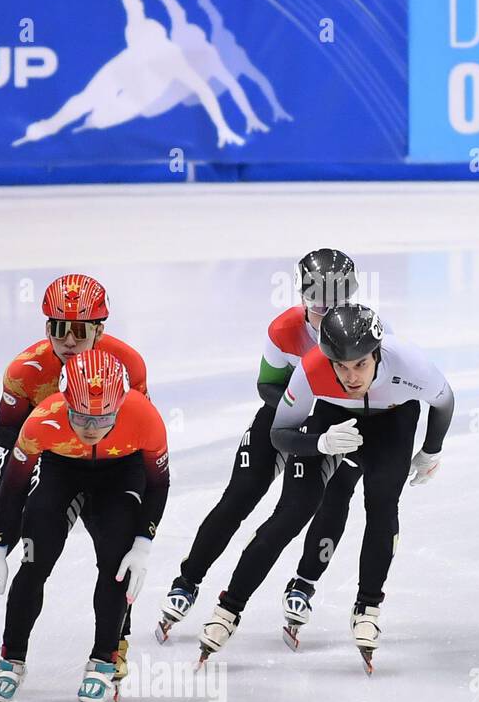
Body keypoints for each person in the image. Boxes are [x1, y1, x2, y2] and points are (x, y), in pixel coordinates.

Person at [0, 273, 148, 693]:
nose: (68, 340)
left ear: (100, 330)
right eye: (57, 328)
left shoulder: (127, 365)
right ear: (45, 327)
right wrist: (50, 435)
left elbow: (136, 431)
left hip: (106, 464)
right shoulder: (25, 370)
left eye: (79, 330)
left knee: (117, 554)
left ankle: (115, 642)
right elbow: (4, 435)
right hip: (44, 458)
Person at [196, 304, 454, 673]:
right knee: (293, 511)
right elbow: (278, 434)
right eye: (341, 366)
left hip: (392, 425)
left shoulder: (410, 363)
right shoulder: (312, 368)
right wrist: (318, 443)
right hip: (332, 422)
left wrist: (431, 451)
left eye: (361, 365)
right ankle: (229, 607)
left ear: (378, 353)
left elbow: (444, 403)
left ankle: (368, 606)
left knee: (382, 504)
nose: (351, 376)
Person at [157, 249, 368, 646]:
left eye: (338, 303)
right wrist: (302, 407)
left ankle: (304, 582)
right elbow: (265, 386)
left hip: (335, 424)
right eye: (318, 305)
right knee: (239, 496)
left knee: (330, 497)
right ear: (304, 299)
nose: (328, 314)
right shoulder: (285, 330)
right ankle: (188, 580)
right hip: (284, 415)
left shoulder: (368, 329)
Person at [0, 349, 169, 702]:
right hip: (61, 471)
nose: (92, 428)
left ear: (121, 405)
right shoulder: (42, 419)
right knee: (33, 563)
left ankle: (103, 658)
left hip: (120, 474)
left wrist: (143, 544)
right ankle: (11, 658)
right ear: (64, 401)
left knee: (117, 564)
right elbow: (13, 487)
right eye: (81, 416)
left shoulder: (144, 416)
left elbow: (158, 483)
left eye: (103, 418)